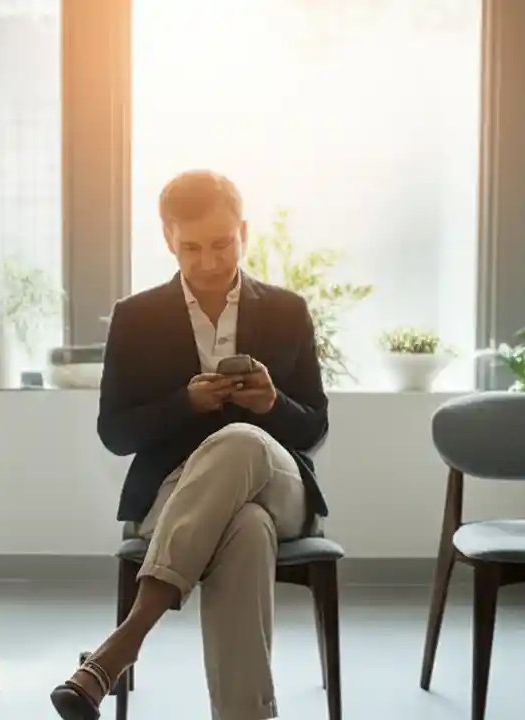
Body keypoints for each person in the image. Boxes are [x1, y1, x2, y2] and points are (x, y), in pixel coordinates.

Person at [50, 170, 329, 720]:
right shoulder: (136, 317)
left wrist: (271, 404)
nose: (209, 262)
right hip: (174, 493)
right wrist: (185, 404)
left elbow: (314, 429)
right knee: (245, 528)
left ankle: (123, 644)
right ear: (167, 239)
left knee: (242, 440)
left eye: (222, 244)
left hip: (279, 486)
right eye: (191, 248)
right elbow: (115, 433)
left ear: (244, 231)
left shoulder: (287, 310)